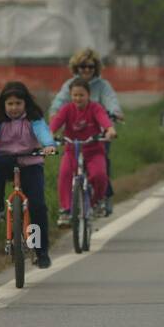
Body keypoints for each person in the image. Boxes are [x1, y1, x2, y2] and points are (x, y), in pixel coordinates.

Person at [0, 82, 57, 268]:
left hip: (31, 162)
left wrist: (48, 144)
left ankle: (40, 251)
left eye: (18, 103)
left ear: (25, 104)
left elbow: (43, 132)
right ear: (3, 105)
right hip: (5, 160)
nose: (14, 108)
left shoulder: (34, 118)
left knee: (37, 206)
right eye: (10, 104)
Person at [48, 48, 123, 215]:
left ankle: (101, 197)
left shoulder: (102, 87)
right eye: (82, 66)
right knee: (65, 174)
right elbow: (59, 106)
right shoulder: (69, 87)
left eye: (90, 66)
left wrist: (112, 121)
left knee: (100, 171)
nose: (86, 70)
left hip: (96, 136)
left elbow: (110, 102)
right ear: (77, 68)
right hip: (73, 143)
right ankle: (66, 210)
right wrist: (52, 124)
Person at [50, 78, 115, 226]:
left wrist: (109, 130)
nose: (78, 98)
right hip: (72, 151)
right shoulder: (67, 109)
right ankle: (66, 210)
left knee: (100, 175)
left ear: (88, 95)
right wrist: (50, 134)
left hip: (94, 150)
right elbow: (55, 123)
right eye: (75, 95)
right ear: (71, 95)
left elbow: (104, 120)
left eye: (81, 95)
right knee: (65, 175)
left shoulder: (95, 108)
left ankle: (97, 201)